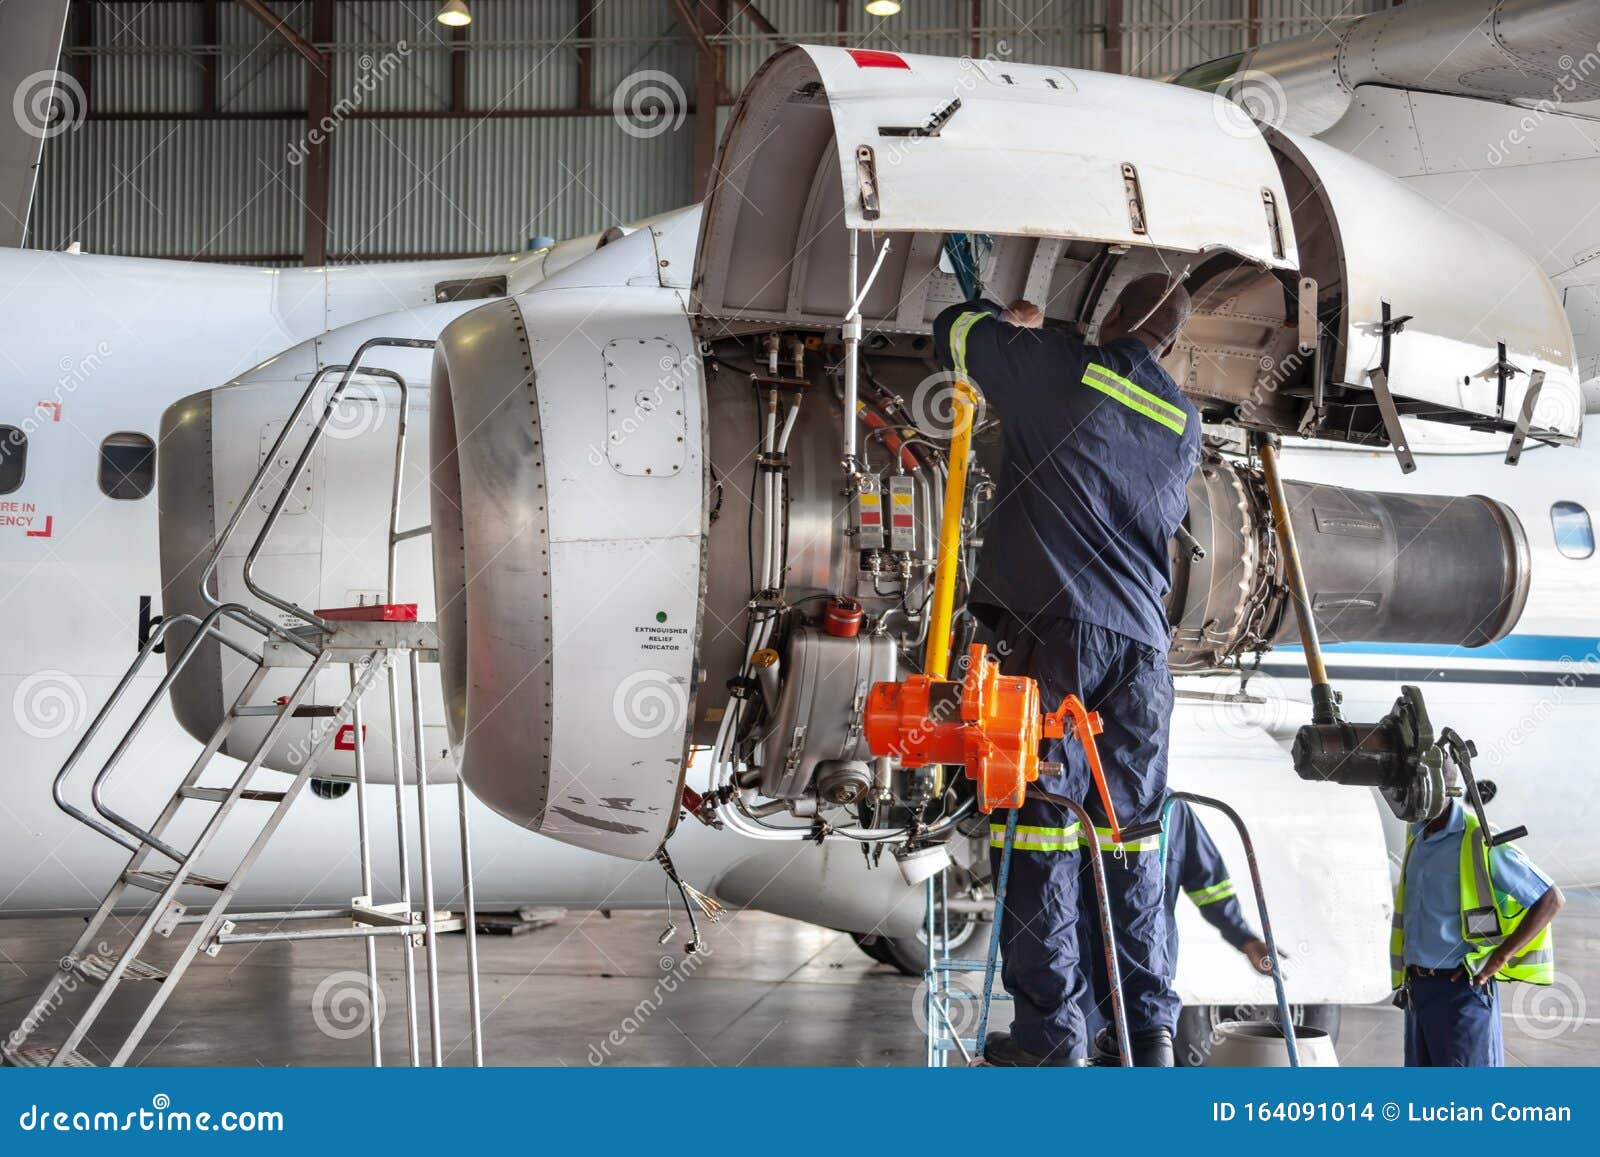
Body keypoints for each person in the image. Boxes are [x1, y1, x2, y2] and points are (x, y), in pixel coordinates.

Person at [932, 274, 1201, 1066]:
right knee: (1134, 842)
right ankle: (1147, 1033)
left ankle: (1055, 1041)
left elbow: (952, 330)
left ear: (1108, 316)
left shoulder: (1057, 366)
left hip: (1054, 637)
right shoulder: (1183, 422)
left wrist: (1007, 324)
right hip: (1142, 655)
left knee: (1042, 824)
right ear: (1173, 346)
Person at [1076, 796, 1275, 1063]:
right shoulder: (1172, 808)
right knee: (1142, 1036)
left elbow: (1210, 883)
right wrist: (1243, 936)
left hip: (1083, 959)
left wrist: (1244, 937)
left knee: (1091, 1046)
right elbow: (1210, 883)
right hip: (1148, 958)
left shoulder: (1079, 800)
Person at [1393, 790, 1562, 1067]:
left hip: (1460, 993)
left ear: (1434, 788)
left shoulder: (1478, 839)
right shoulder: (1416, 834)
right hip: (1417, 993)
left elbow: (1550, 899)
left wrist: (1499, 957)